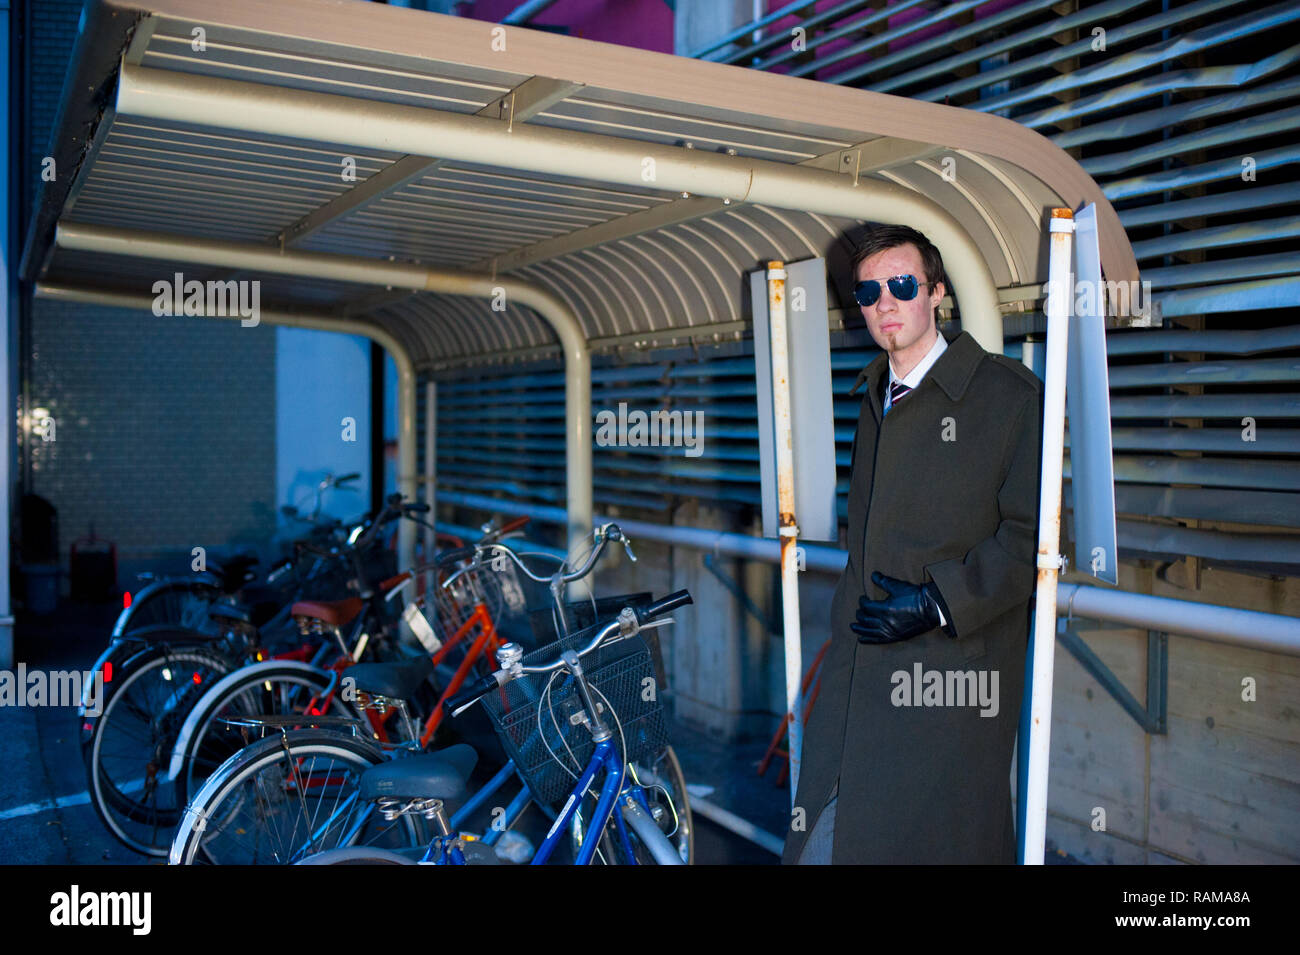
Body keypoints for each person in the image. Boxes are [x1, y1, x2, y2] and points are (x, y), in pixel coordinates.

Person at [782, 224, 1044, 864]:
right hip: (857, 674)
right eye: (868, 292)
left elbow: (1030, 537)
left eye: (901, 285)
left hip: (949, 683)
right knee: (822, 842)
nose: (884, 302)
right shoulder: (874, 395)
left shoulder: (1009, 396)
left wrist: (936, 603)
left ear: (936, 294)